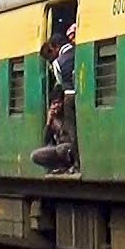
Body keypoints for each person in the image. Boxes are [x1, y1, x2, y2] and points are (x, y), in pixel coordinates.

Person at [39, 27, 78, 172]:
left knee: (72, 132)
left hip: (69, 95)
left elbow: (61, 83)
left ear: (55, 47)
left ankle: (75, 164)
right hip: (80, 94)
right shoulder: (78, 51)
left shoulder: (58, 63)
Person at [30, 95, 74, 172]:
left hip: (70, 149)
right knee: (35, 155)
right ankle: (59, 168)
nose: (56, 105)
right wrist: (49, 122)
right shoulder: (53, 119)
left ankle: (72, 166)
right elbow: (45, 141)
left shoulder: (68, 116)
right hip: (58, 150)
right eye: (54, 103)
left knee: (61, 149)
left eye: (59, 102)